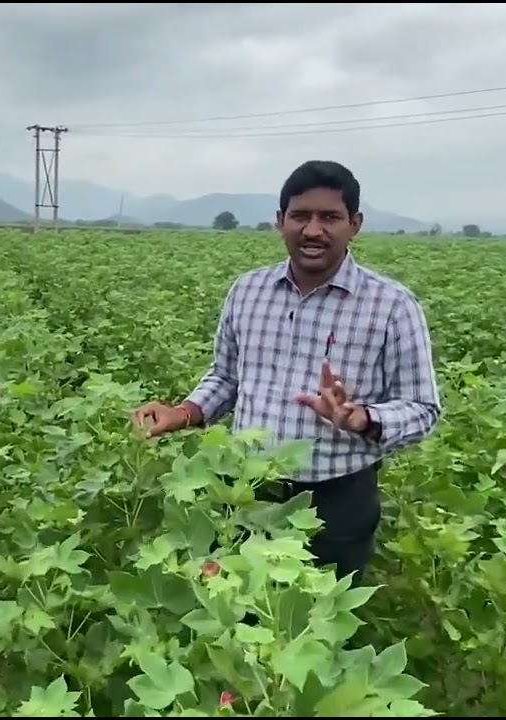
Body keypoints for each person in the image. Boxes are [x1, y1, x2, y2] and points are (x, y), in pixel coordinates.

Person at [130, 160, 441, 584]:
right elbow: (226, 378)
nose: (313, 230)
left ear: (355, 224)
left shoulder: (392, 305)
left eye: (330, 217)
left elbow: (423, 409)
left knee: (317, 628)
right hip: (244, 489)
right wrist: (182, 413)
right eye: (300, 216)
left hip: (336, 498)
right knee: (238, 618)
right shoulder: (248, 291)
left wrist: (361, 418)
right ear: (280, 222)